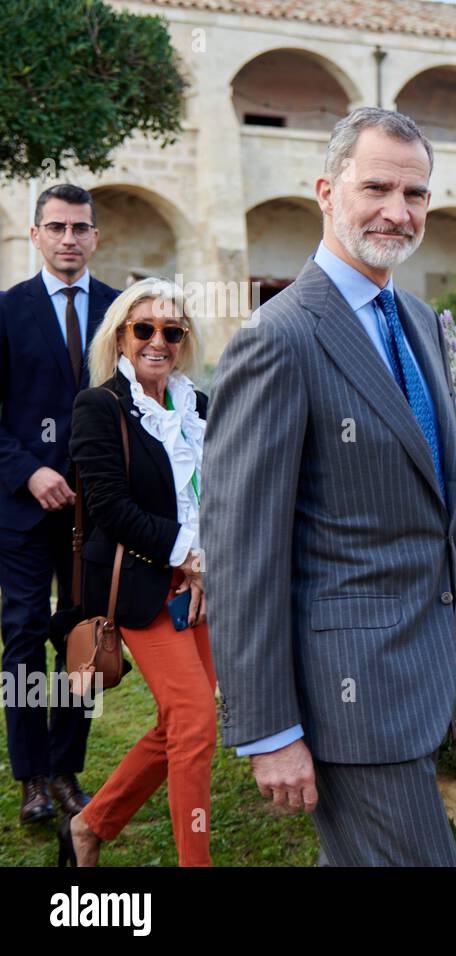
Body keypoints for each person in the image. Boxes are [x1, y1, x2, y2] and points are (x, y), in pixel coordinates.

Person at [203, 107, 456, 866]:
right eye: (377, 188)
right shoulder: (278, 338)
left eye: (417, 194)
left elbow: (442, 506)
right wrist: (269, 730)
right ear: (326, 191)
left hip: (421, 672)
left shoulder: (420, 321)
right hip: (348, 698)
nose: (399, 212)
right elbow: (241, 552)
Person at [58, 278, 211, 866]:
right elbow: (109, 507)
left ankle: (90, 825)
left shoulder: (198, 404)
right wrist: (185, 555)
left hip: (203, 583)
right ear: (121, 336)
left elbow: (217, 491)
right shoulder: (100, 405)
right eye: (143, 329)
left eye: (171, 331)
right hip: (143, 583)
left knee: (179, 723)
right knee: (195, 722)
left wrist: (210, 560)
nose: (158, 341)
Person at [0, 184, 119, 824]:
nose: (68, 238)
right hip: (20, 509)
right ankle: (32, 779)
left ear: (95, 236)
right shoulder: (6, 311)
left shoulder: (119, 310)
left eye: (79, 228)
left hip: (91, 516)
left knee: (79, 642)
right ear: (35, 235)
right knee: (20, 637)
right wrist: (30, 471)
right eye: (56, 227)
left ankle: (68, 771)